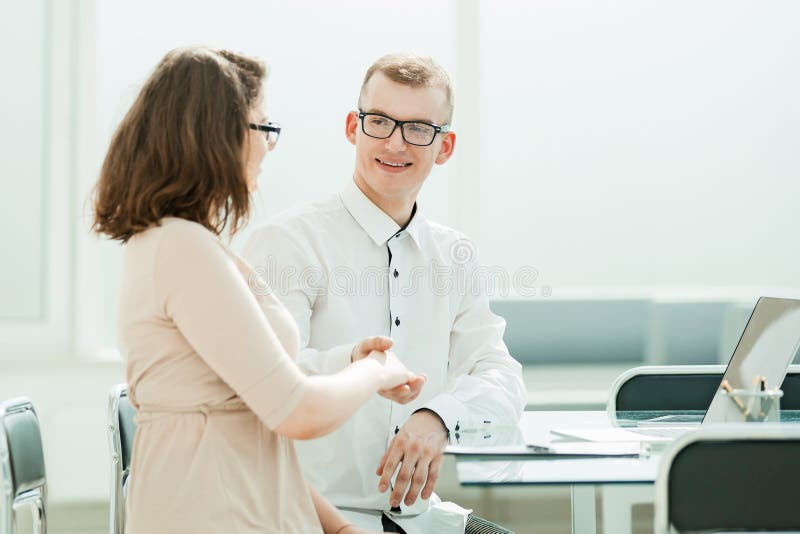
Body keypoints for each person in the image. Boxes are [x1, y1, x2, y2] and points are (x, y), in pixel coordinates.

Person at [92, 46, 423, 534]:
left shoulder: (191, 244)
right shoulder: (181, 248)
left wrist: (336, 526)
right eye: (263, 128)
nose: (269, 146)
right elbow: (297, 411)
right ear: (217, 136)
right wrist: (375, 371)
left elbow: (251, 429)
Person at [243, 53, 527, 533]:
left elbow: (501, 376)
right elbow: (273, 383)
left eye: (418, 128)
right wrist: (360, 366)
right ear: (353, 127)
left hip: (421, 519)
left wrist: (438, 416)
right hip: (311, 518)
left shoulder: (454, 254)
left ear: (445, 146)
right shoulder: (287, 242)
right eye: (379, 122)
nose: (395, 142)